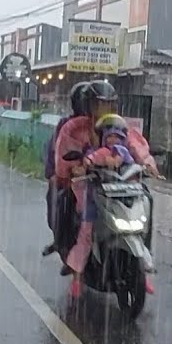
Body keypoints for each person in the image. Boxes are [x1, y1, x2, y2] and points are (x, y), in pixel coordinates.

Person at [52, 80, 159, 296]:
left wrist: (148, 164)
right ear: (88, 106)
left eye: (109, 105)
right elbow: (65, 156)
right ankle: (75, 269)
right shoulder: (74, 128)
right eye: (99, 105)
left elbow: (138, 149)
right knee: (83, 223)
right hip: (89, 186)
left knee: (146, 201)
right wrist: (76, 168)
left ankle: (142, 266)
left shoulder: (121, 128)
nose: (104, 110)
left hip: (120, 185)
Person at [65, 114, 136, 296]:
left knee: (138, 230)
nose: (114, 139)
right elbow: (87, 161)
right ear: (103, 136)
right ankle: (77, 277)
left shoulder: (126, 154)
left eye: (118, 136)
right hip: (95, 200)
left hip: (120, 199)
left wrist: (148, 168)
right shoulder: (97, 151)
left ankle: (142, 274)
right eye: (110, 135)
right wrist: (85, 166)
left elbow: (137, 164)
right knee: (86, 235)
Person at [42, 85, 89, 256]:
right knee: (59, 201)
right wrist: (54, 172)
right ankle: (61, 241)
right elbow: (54, 150)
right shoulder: (66, 125)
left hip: (99, 177)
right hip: (71, 176)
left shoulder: (104, 125)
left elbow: (121, 146)